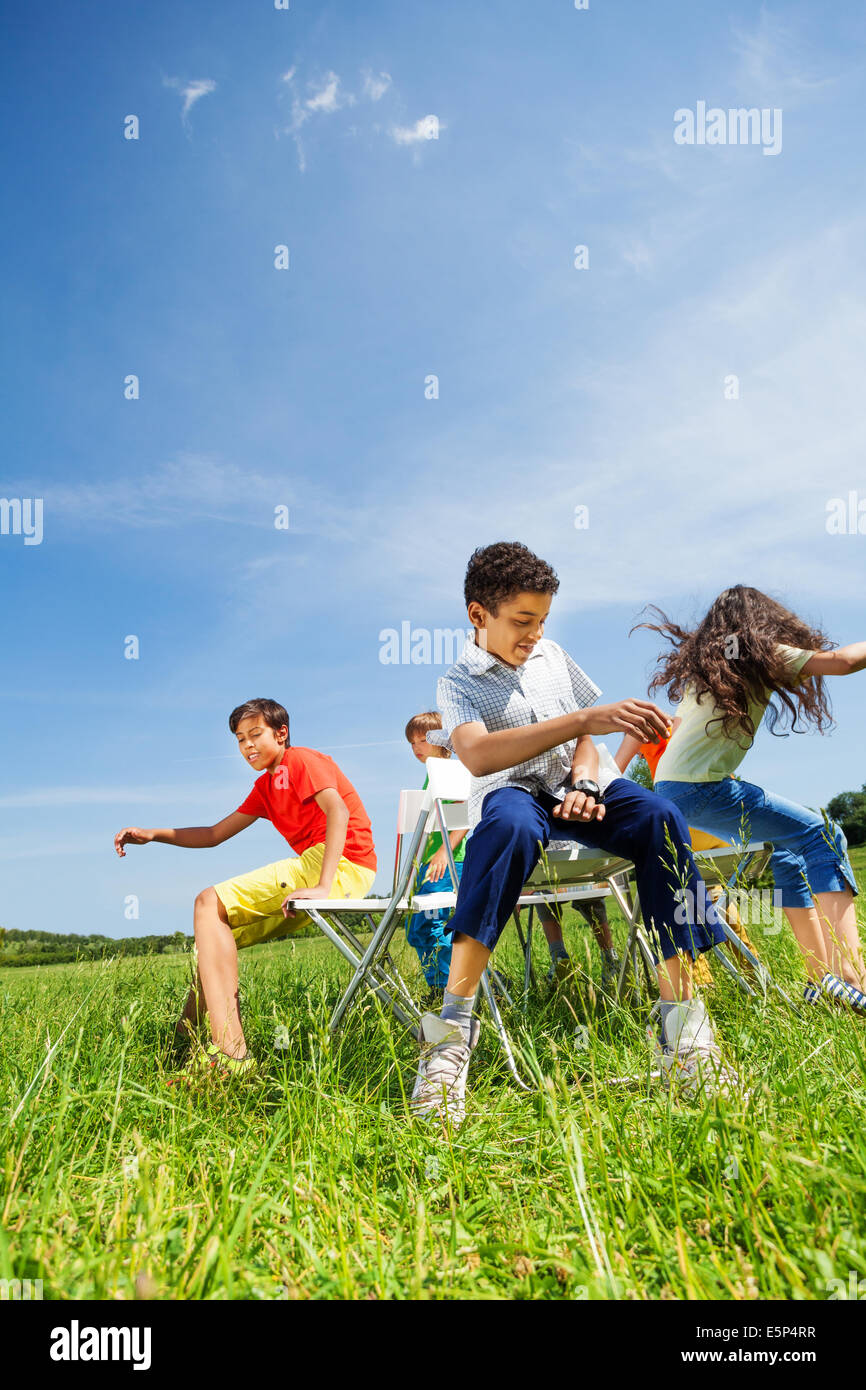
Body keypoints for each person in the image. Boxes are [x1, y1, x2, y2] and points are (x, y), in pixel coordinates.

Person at [410, 541, 738, 1126]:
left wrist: (587, 779)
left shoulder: (553, 657)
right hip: (515, 791)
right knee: (505, 826)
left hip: (579, 786)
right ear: (478, 614)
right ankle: (449, 1034)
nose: (534, 634)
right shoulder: (456, 682)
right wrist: (584, 720)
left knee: (661, 818)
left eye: (542, 620)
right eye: (522, 621)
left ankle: (682, 1026)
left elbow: (587, 740)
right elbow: (479, 756)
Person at [113, 698, 377, 1075]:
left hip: (338, 866)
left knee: (208, 902)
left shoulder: (299, 760)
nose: (248, 745)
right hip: (329, 869)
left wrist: (322, 886)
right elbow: (214, 833)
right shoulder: (267, 786)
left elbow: (338, 811)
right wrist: (153, 835)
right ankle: (181, 1047)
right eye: (240, 739)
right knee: (212, 943)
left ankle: (230, 1056)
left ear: (281, 733)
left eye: (256, 735)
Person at [637, 586, 866, 1012]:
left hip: (672, 791)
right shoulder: (761, 654)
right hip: (700, 788)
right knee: (826, 835)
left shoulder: (708, 667)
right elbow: (847, 662)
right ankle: (852, 976)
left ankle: (822, 979)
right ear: (761, 622)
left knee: (787, 852)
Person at [404, 712, 468, 996]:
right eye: (412, 742)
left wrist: (443, 853)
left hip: (449, 863)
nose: (416, 747)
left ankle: (447, 990)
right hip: (430, 865)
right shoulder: (431, 776)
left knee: (431, 925)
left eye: (423, 740)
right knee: (417, 930)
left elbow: (464, 817)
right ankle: (446, 983)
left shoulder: (451, 771)